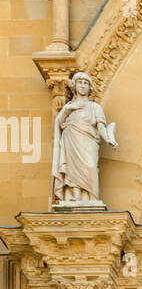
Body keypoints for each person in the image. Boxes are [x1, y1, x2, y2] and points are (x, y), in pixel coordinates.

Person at [51, 72, 117, 207]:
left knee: (90, 166)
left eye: (86, 83)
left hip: (88, 141)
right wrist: (67, 109)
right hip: (71, 138)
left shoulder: (95, 107)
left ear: (90, 88)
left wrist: (110, 140)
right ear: (74, 86)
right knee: (72, 170)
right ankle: (74, 197)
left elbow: (101, 127)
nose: (82, 85)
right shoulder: (69, 106)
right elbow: (59, 123)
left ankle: (92, 197)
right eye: (80, 82)